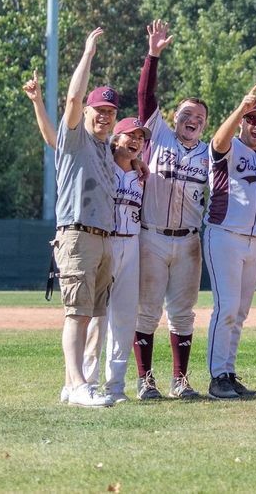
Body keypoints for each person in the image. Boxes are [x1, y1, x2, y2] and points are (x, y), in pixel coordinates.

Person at [134, 19, 210, 400]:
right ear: (174, 118)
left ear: (204, 125)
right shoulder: (159, 134)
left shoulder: (209, 152)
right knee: (147, 310)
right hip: (153, 236)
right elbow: (146, 97)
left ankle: (180, 380)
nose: (191, 120)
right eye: (185, 115)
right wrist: (154, 55)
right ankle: (145, 379)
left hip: (189, 242)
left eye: (198, 117)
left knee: (183, 313)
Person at [51, 27, 119, 408]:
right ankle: (79, 386)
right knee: (76, 314)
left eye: (111, 111)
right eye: (100, 110)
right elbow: (75, 95)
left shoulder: (104, 147)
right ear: (86, 112)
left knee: (95, 313)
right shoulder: (74, 136)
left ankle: (71, 383)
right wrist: (88, 54)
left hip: (103, 237)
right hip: (78, 235)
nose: (105, 116)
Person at [202, 82, 256, 400]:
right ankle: (217, 376)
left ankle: (229, 373)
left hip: (254, 241)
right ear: (243, 121)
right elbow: (217, 141)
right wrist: (240, 109)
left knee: (241, 311)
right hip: (224, 236)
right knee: (227, 307)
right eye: (252, 119)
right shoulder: (230, 147)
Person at [82, 119, 148, 403]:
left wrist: (139, 163)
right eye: (130, 135)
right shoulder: (103, 164)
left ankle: (116, 386)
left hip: (131, 244)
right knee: (98, 316)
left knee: (124, 317)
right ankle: (86, 382)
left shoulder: (141, 174)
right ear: (116, 139)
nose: (136, 140)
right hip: (105, 240)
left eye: (140, 137)